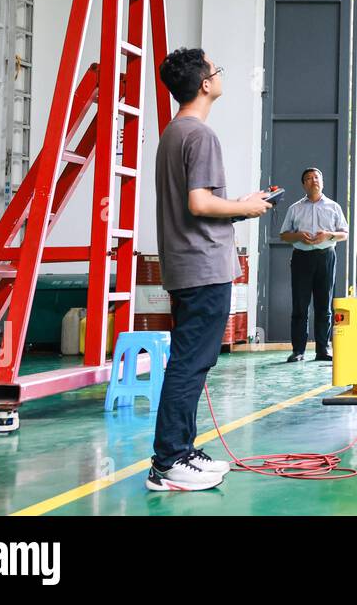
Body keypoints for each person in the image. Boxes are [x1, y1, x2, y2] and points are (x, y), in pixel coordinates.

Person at [149, 48, 273, 492]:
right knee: (189, 365)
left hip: (187, 266)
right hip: (203, 268)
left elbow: (195, 206)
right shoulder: (200, 136)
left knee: (191, 364)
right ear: (204, 84)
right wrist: (245, 207)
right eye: (216, 71)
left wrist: (241, 207)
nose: (219, 75)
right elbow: (200, 204)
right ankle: (168, 462)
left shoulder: (174, 133)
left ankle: (182, 450)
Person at [279, 167, 348, 363]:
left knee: (324, 305)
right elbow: (284, 235)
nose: (313, 180)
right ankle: (298, 350)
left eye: (316, 177)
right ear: (304, 184)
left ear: (322, 182)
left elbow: (344, 233)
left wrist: (329, 235)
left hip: (326, 257)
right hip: (302, 257)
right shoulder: (295, 208)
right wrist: (299, 235)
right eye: (308, 178)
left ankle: (323, 349)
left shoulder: (334, 207)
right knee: (300, 305)